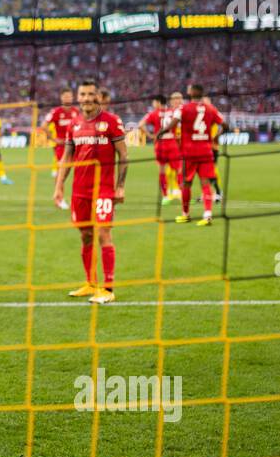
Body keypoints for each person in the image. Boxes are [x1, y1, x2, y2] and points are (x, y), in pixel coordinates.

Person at [53, 80, 126, 304]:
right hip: (79, 191)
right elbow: (67, 157)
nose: (86, 98)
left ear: (97, 97)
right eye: (82, 94)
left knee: (104, 234)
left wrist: (120, 186)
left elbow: (123, 156)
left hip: (103, 190)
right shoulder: (73, 124)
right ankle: (90, 283)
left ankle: (108, 288)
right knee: (85, 236)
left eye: (90, 94)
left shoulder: (112, 122)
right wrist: (59, 185)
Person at [162, 84, 223, 226]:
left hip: (189, 152)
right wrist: (215, 137)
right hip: (206, 150)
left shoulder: (183, 108)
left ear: (192, 92)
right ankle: (207, 215)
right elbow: (225, 124)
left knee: (185, 184)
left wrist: (161, 132)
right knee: (206, 183)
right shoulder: (210, 108)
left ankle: (185, 214)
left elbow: (173, 123)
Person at [140, 93, 180, 206]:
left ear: (158, 102)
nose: (153, 104)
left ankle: (165, 196)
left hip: (161, 143)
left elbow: (141, 124)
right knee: (178, 170)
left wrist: (150, 135)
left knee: (162, 170)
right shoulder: (173, 112)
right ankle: (180, 192)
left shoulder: (153, 113)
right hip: (172, 142)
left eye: (153, 102)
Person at [44, 87, 78, 209]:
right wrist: (54, 139)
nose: (68, 98)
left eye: (70, 96)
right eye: (66, 96)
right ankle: (59, 198)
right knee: (61, 173)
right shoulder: (56, 112)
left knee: (78, 172)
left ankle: (77, 197)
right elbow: (44, 125)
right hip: (62, 147)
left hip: (75, 146)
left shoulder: (76, 111)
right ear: (61, 98)